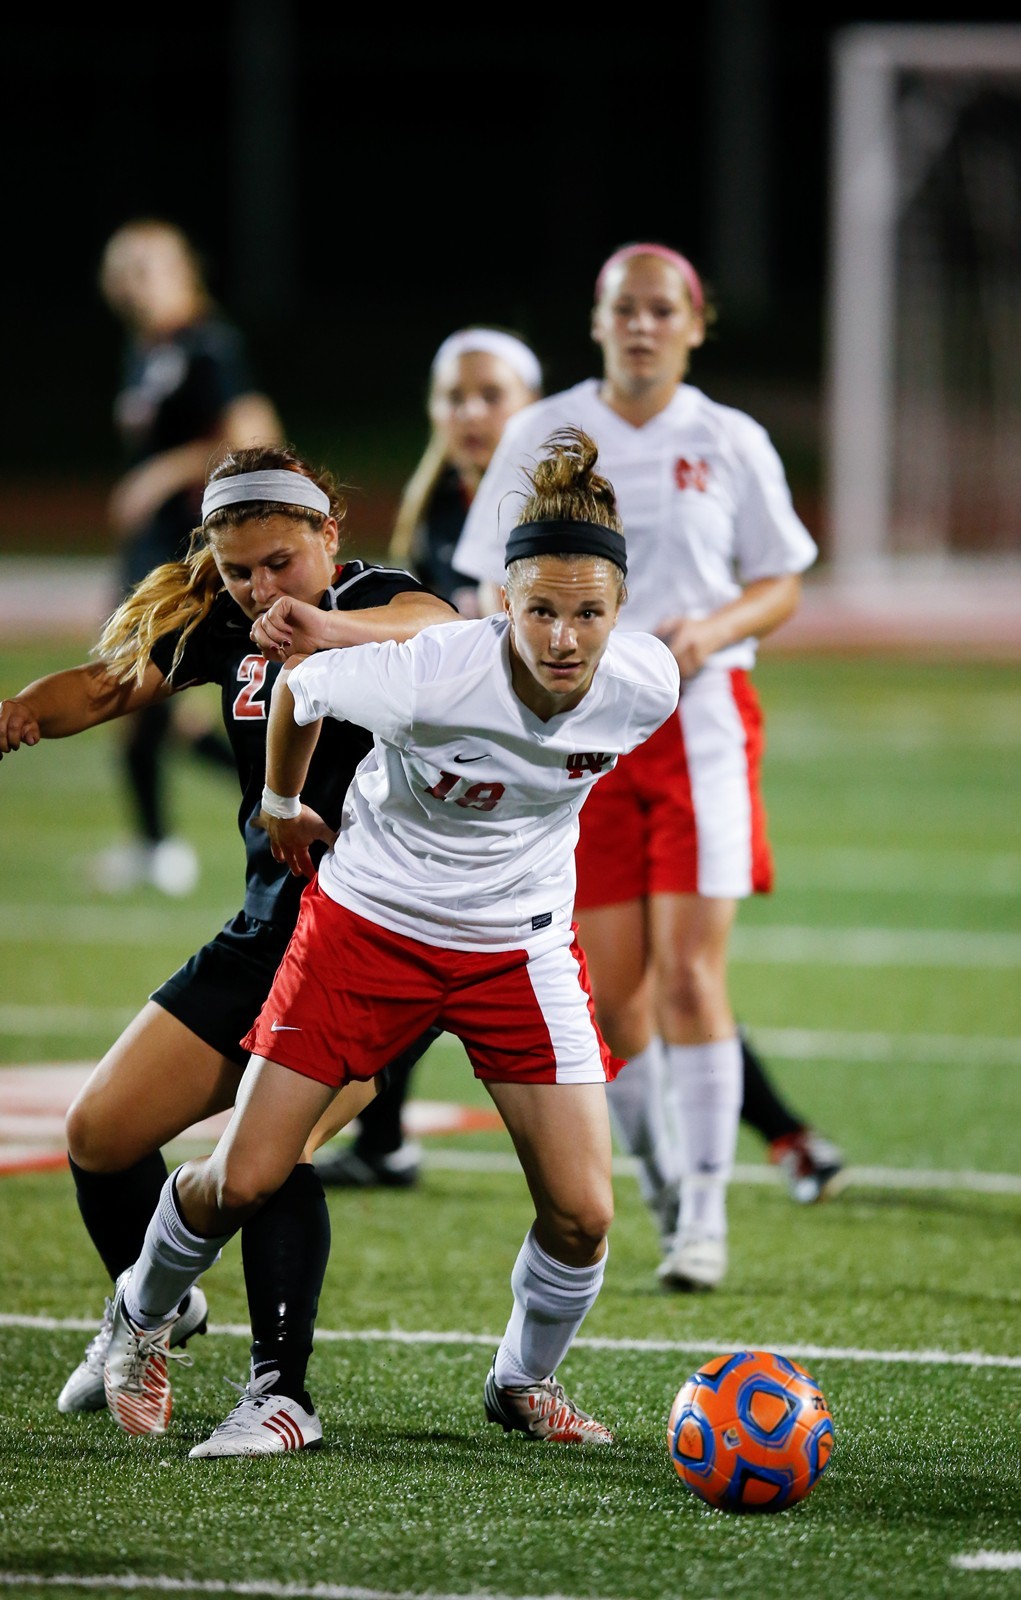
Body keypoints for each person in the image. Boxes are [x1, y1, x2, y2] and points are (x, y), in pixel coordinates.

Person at [98, 426, 680, 1448]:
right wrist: (281, 799)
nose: (561, 636)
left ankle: (519, 1379)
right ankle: (141, 1312)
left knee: (585, 1214)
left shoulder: (647, 685)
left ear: (618, 611)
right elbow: (305, 688)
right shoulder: (433, 669)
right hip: (367, 930)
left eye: (587, 612)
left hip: (519, 947)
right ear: (502, 601)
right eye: (538, 608)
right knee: (242, 1176)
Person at [0, 443, 454, 1456]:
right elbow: (109, 686)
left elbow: (444, 632)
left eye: (281, 562)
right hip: (262, 932)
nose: (260, 586)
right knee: (100, 1133)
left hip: (368, 953)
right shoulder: (224, 620)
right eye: (241, 568)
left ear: (328, 535)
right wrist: (26, 712)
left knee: (262, 1156)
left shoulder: (380, 598)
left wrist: (320, 623)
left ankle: (281, 1391)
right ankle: (156, 1311)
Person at [453, 241, 846, 1293]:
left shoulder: (728, 438)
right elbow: (484, 578)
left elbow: (783, 578)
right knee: (614, 999)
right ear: (595, 321)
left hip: (701, 724)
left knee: (687, 974)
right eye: (621, 308)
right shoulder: (543, 430)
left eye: (659, 309)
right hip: (581, 737)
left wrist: (709, 631)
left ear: (693, 322)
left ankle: (705, 1215)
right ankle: (668, 1185)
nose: (639, 324)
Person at [317, 324, 544, 1190]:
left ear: (530, 406)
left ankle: (776, 1132)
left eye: (491, 396)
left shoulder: (538, 505)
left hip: (528, 779)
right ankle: (382, 1140)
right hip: (456, 768)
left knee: (642, 981)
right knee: (409, 945)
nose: (472, 412)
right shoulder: (443, 498)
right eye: (456, 396)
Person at [94, 216, 285, 896]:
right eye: (123, 266)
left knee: (142, 695)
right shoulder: (148, 349)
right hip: (147, 549)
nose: (131, 278)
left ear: (184, 268)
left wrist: (163, 476)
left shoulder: (209, 346)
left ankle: (276, 804)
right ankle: (161, 842)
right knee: (155, 706)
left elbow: (255, 435)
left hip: (182, 547)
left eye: (147, 263)